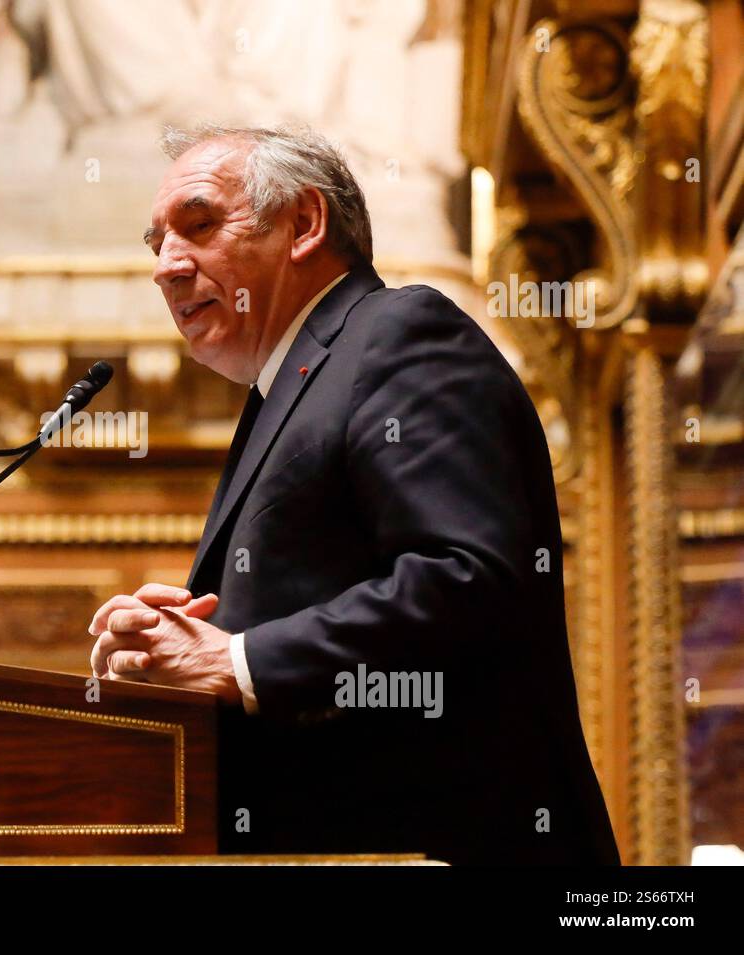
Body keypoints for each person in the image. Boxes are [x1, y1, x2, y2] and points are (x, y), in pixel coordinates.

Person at [87, 124, 620, 864]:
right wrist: (171, 650)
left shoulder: (398, 333)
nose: (167, 266)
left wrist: (237, 658)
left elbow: (469, 577)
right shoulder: (288, 385)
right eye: (158, 243)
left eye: (200, 225)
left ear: (304, 223)